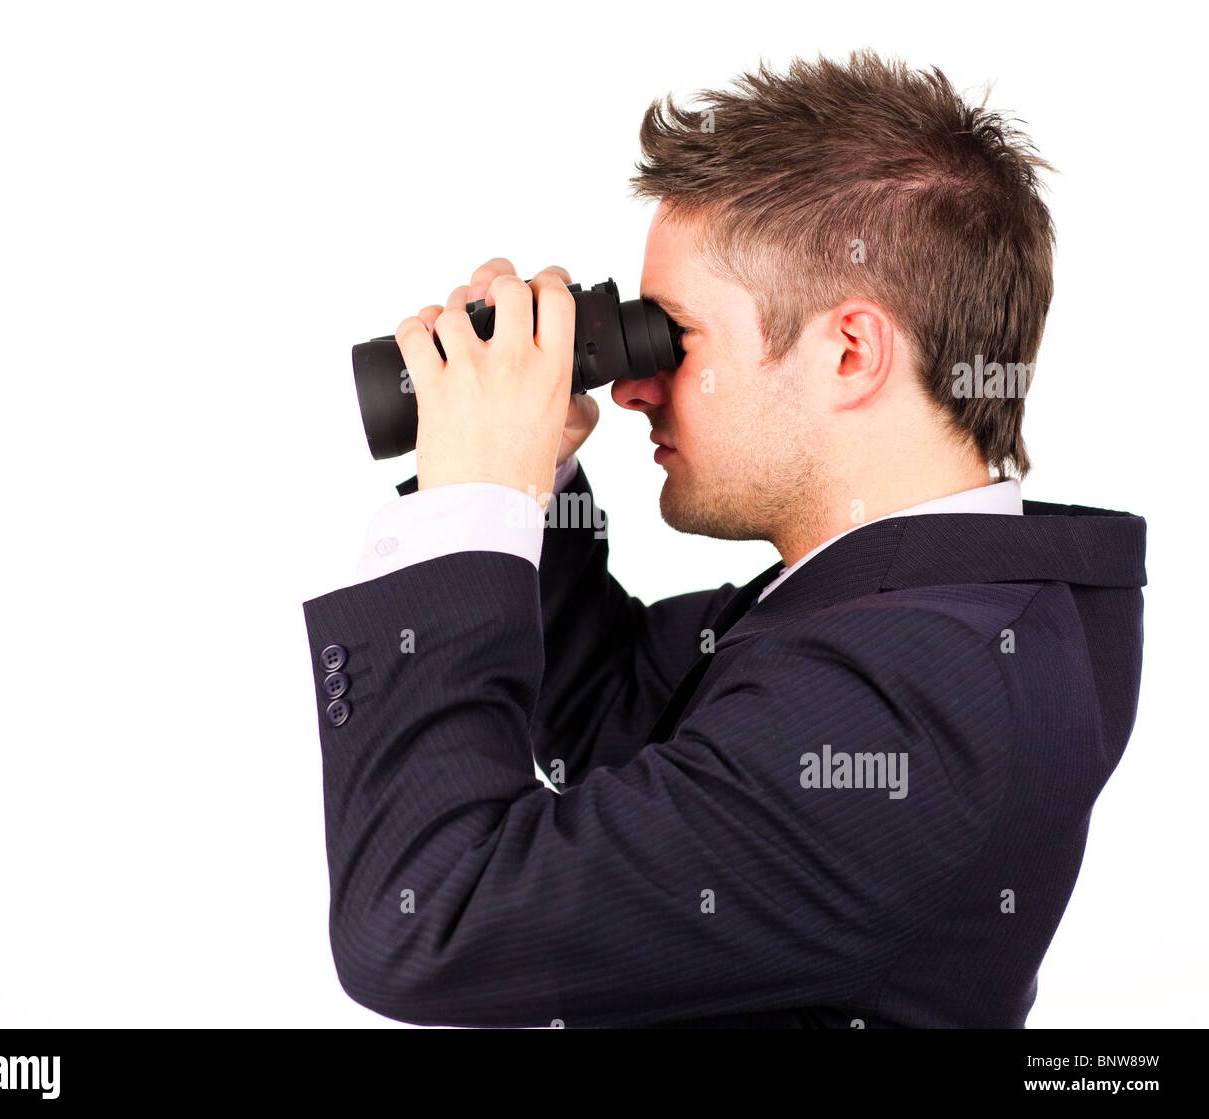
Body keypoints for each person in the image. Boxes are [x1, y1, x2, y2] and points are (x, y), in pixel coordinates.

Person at [302, 49, 1146, 1028]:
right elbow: (616, 707)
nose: (630, 389)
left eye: (675, 337)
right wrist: (534, 465)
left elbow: (429, 921)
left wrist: (471, 500)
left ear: (850, 352)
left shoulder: (914, 704)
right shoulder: (932, 604)